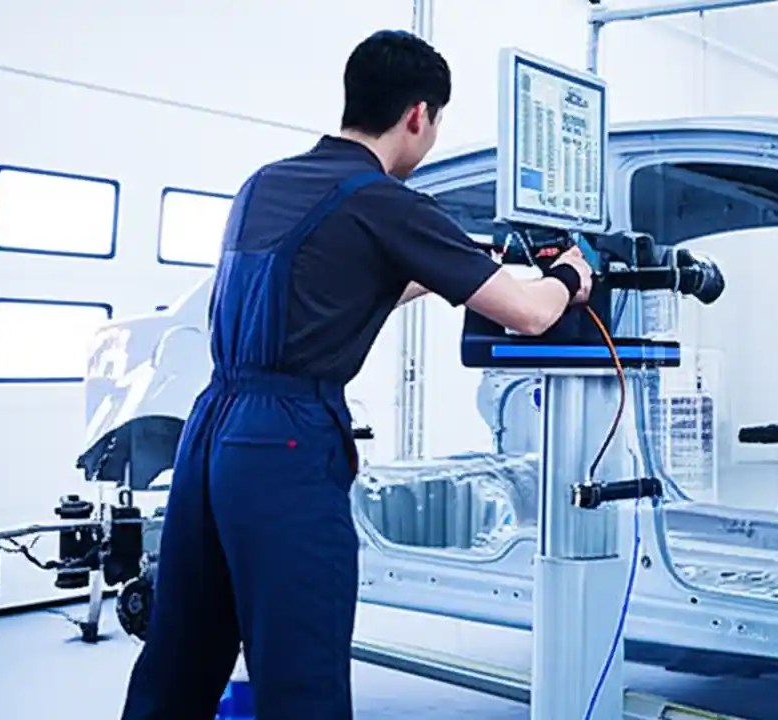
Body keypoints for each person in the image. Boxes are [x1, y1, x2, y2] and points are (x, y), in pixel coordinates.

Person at [119, 29, 593, 720]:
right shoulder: (386, 202)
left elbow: (322, 287)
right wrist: (569, 275)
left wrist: (451, 272)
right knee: (301, 673)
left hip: (211, 431)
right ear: (418, 115)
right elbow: (530, 313)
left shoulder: (266, 183)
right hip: (285, 444)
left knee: (180, 661)